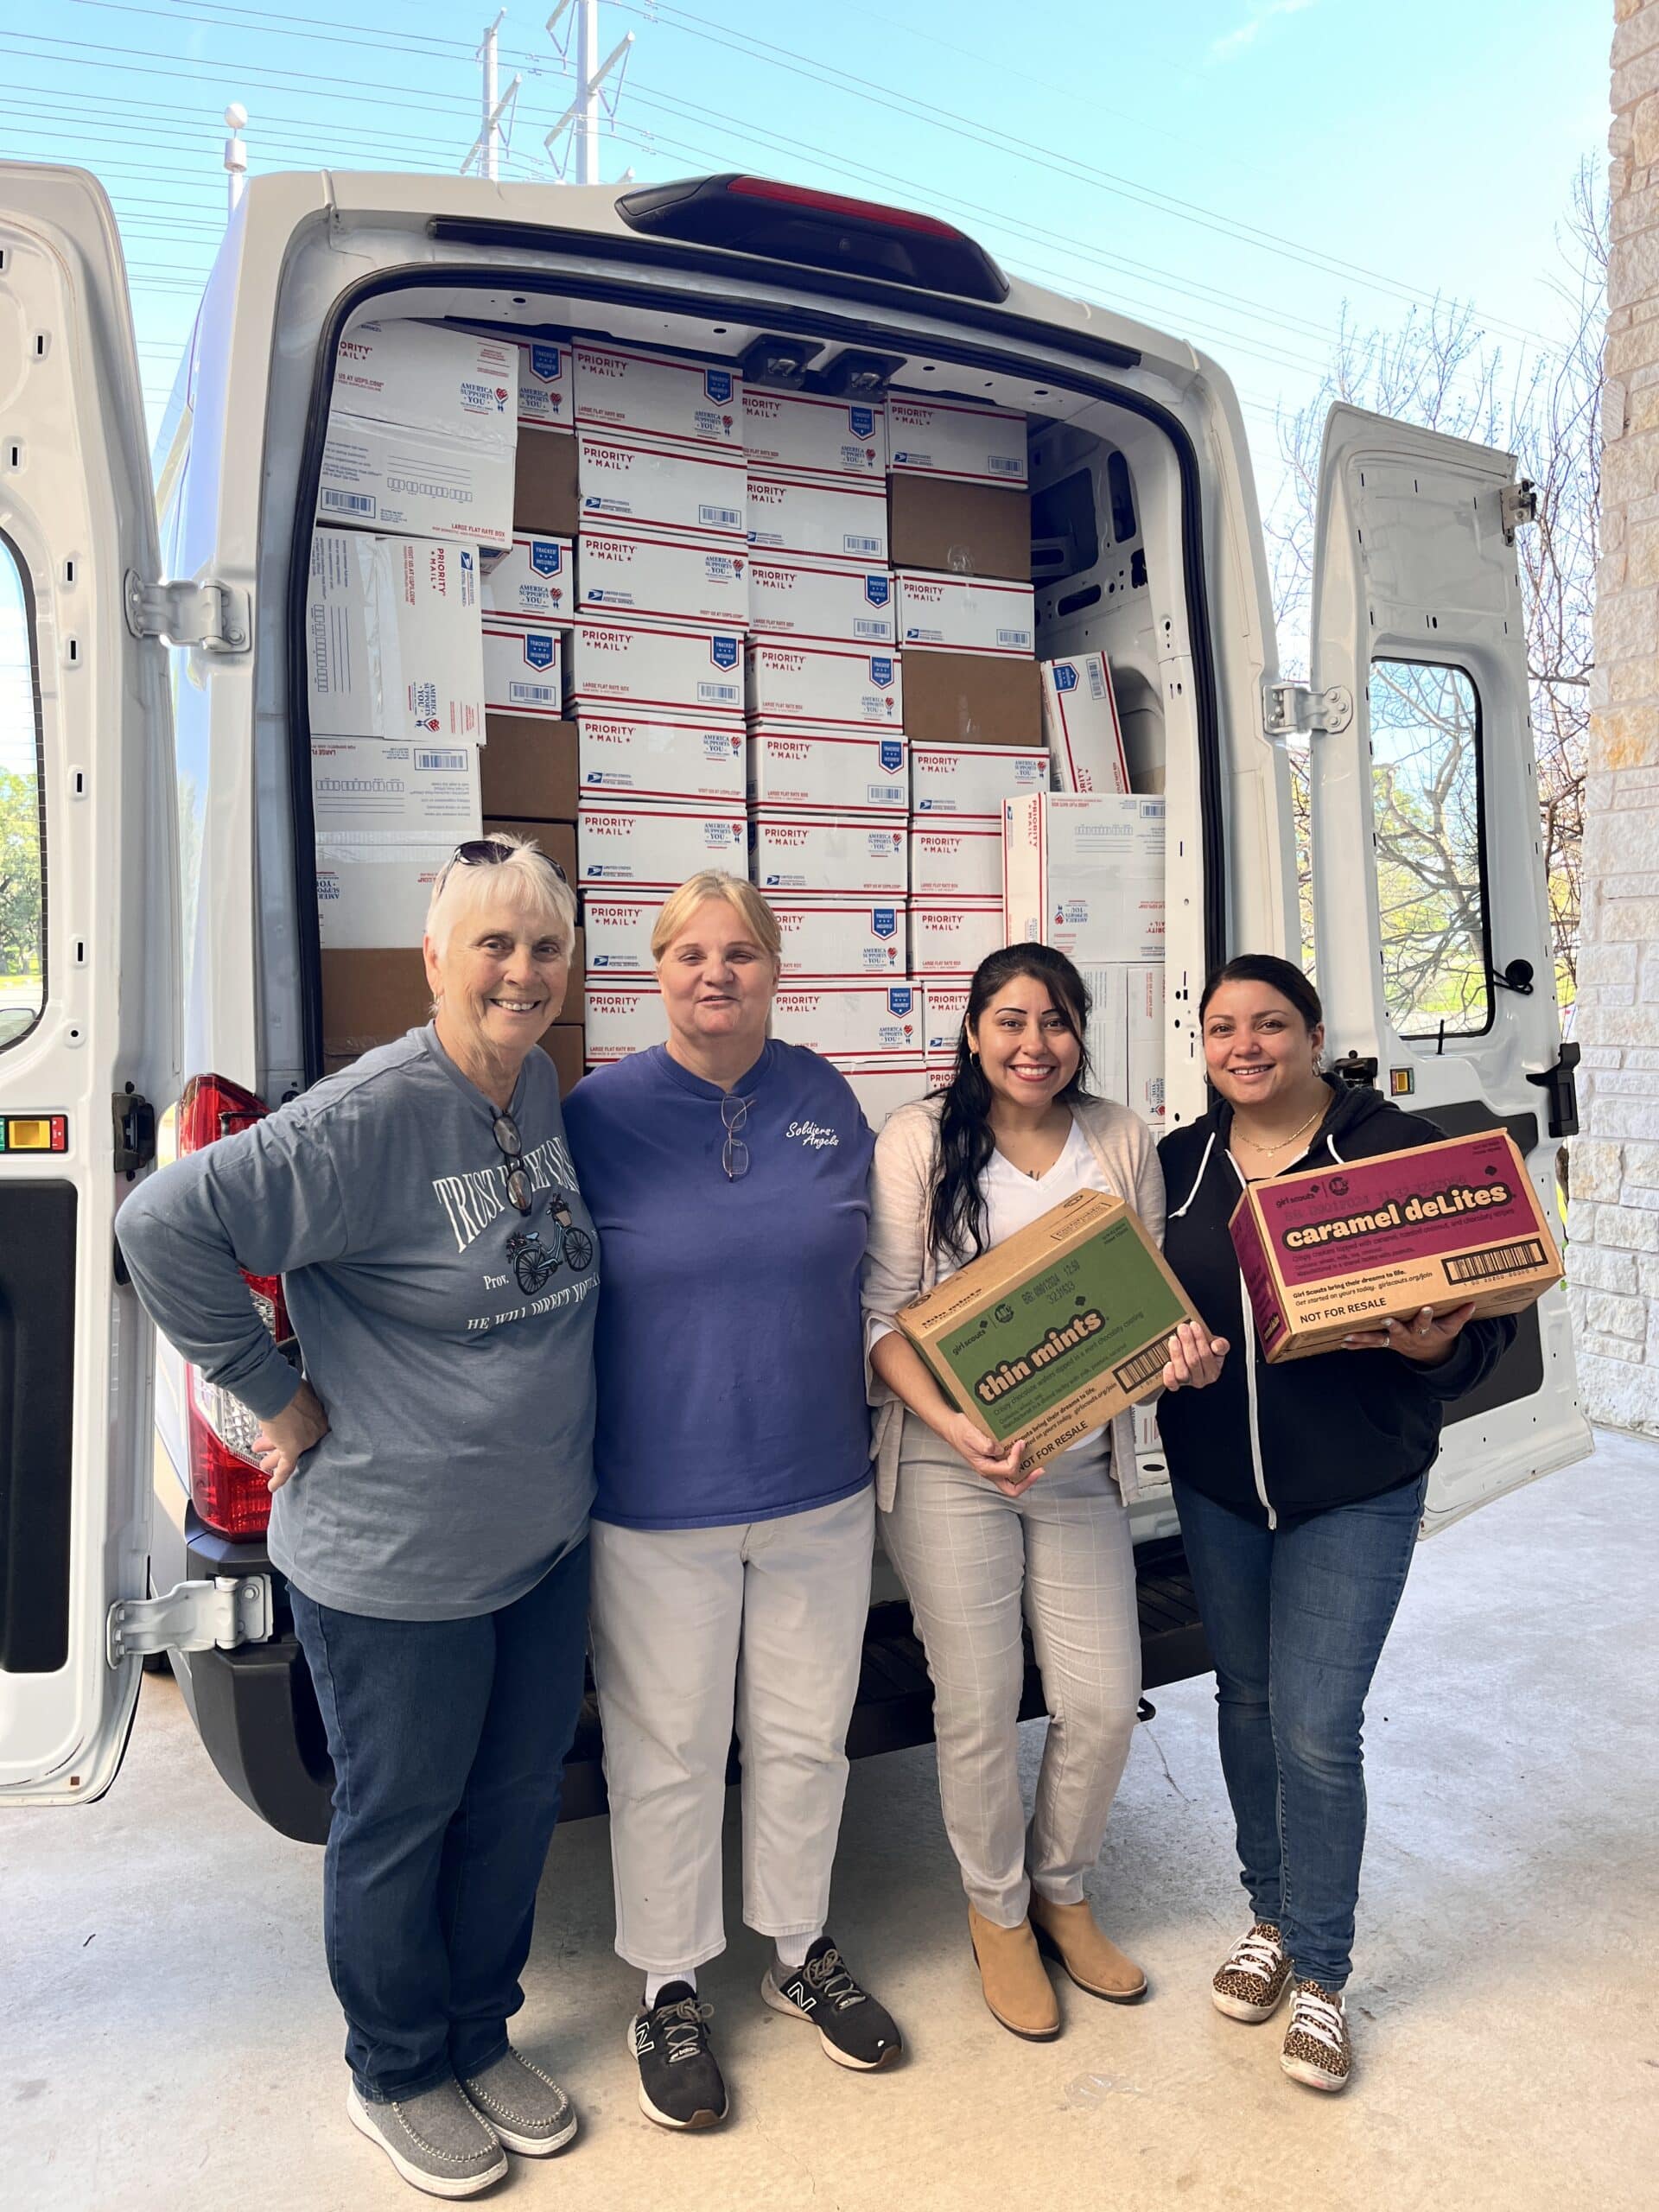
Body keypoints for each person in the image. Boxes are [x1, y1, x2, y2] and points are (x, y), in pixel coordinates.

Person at [117, 836, 599, 2199]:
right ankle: (394, 2067)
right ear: (433, 957)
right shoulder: (369, 1115)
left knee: (514, 1803)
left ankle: (475, 2033)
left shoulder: (542, 1080)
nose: (520, 969)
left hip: (541, 1540)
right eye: (492, 944)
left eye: (545, 947)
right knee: (404, 1816)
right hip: (396, 1558)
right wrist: (271, 1393)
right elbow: (162, 1226)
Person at [562, 871, 901, 2134]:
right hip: (656, 1499)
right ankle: (668, 1985)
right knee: (668, 1754)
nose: (718, 974)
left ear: (775, 968)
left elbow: (883, 1276)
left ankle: (799, 1949)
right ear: (654, 973)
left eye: (742, 953)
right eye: (692, 954)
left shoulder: (822, 1096)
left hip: (817, 1484)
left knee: (809, 1737)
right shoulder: (596, 1115)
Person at [1157, 953, 1518, 2094]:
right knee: (1248, 1702)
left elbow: (1484, 1321)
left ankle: (1320, 1970)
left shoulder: (1396, 1153)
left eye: (1272, 1025)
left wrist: (1438, 1346)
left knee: (1317, 1724)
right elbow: (1146, 1304)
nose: (1246, 1047)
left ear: (1315, 1035)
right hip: (1219, 1485)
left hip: (1354, 1486)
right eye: (1224, 1030)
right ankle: (1268, 1917)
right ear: (1203, 1047)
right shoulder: (1179, 1164)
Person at [861, 944, 1226, 2043]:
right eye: (1011, 1020)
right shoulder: (918, 1138)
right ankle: (999, 1913)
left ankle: (1062, 1890)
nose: (1035, 1044)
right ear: (973, 1030)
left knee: (1102, 1700)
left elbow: (1149, 1301)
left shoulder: (1119, 1138)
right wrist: (964, 1431)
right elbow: (882, 1321)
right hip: (949, 1461)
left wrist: (1184, 1356)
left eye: (1057, 1022)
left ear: (1080, 1033)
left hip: (1075, 1465)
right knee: (975, 1704)